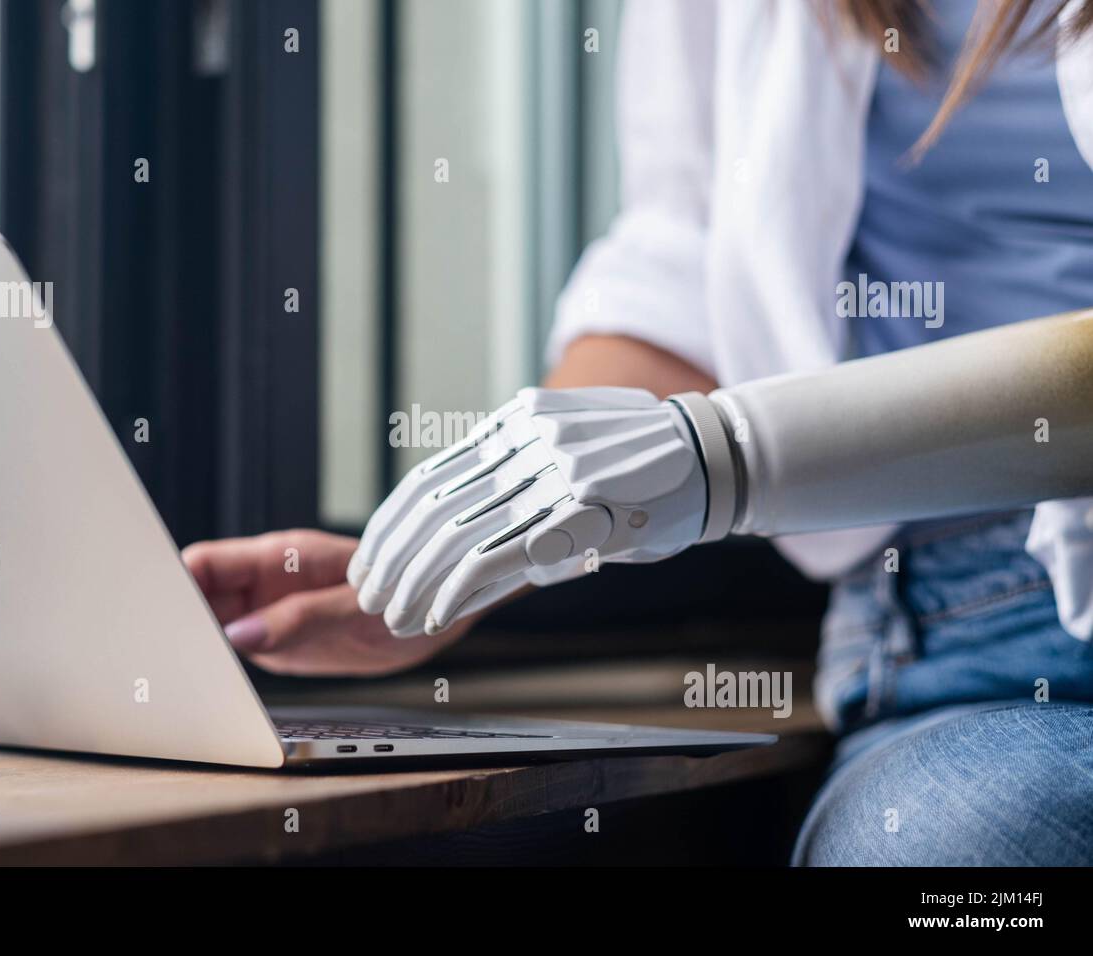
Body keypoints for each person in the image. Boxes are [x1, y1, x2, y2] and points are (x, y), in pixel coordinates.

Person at [183, 0, 1093, 865]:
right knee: (964, 859)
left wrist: (727, 454)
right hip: (963, 642)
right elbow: (683, 283)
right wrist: (471, 544)